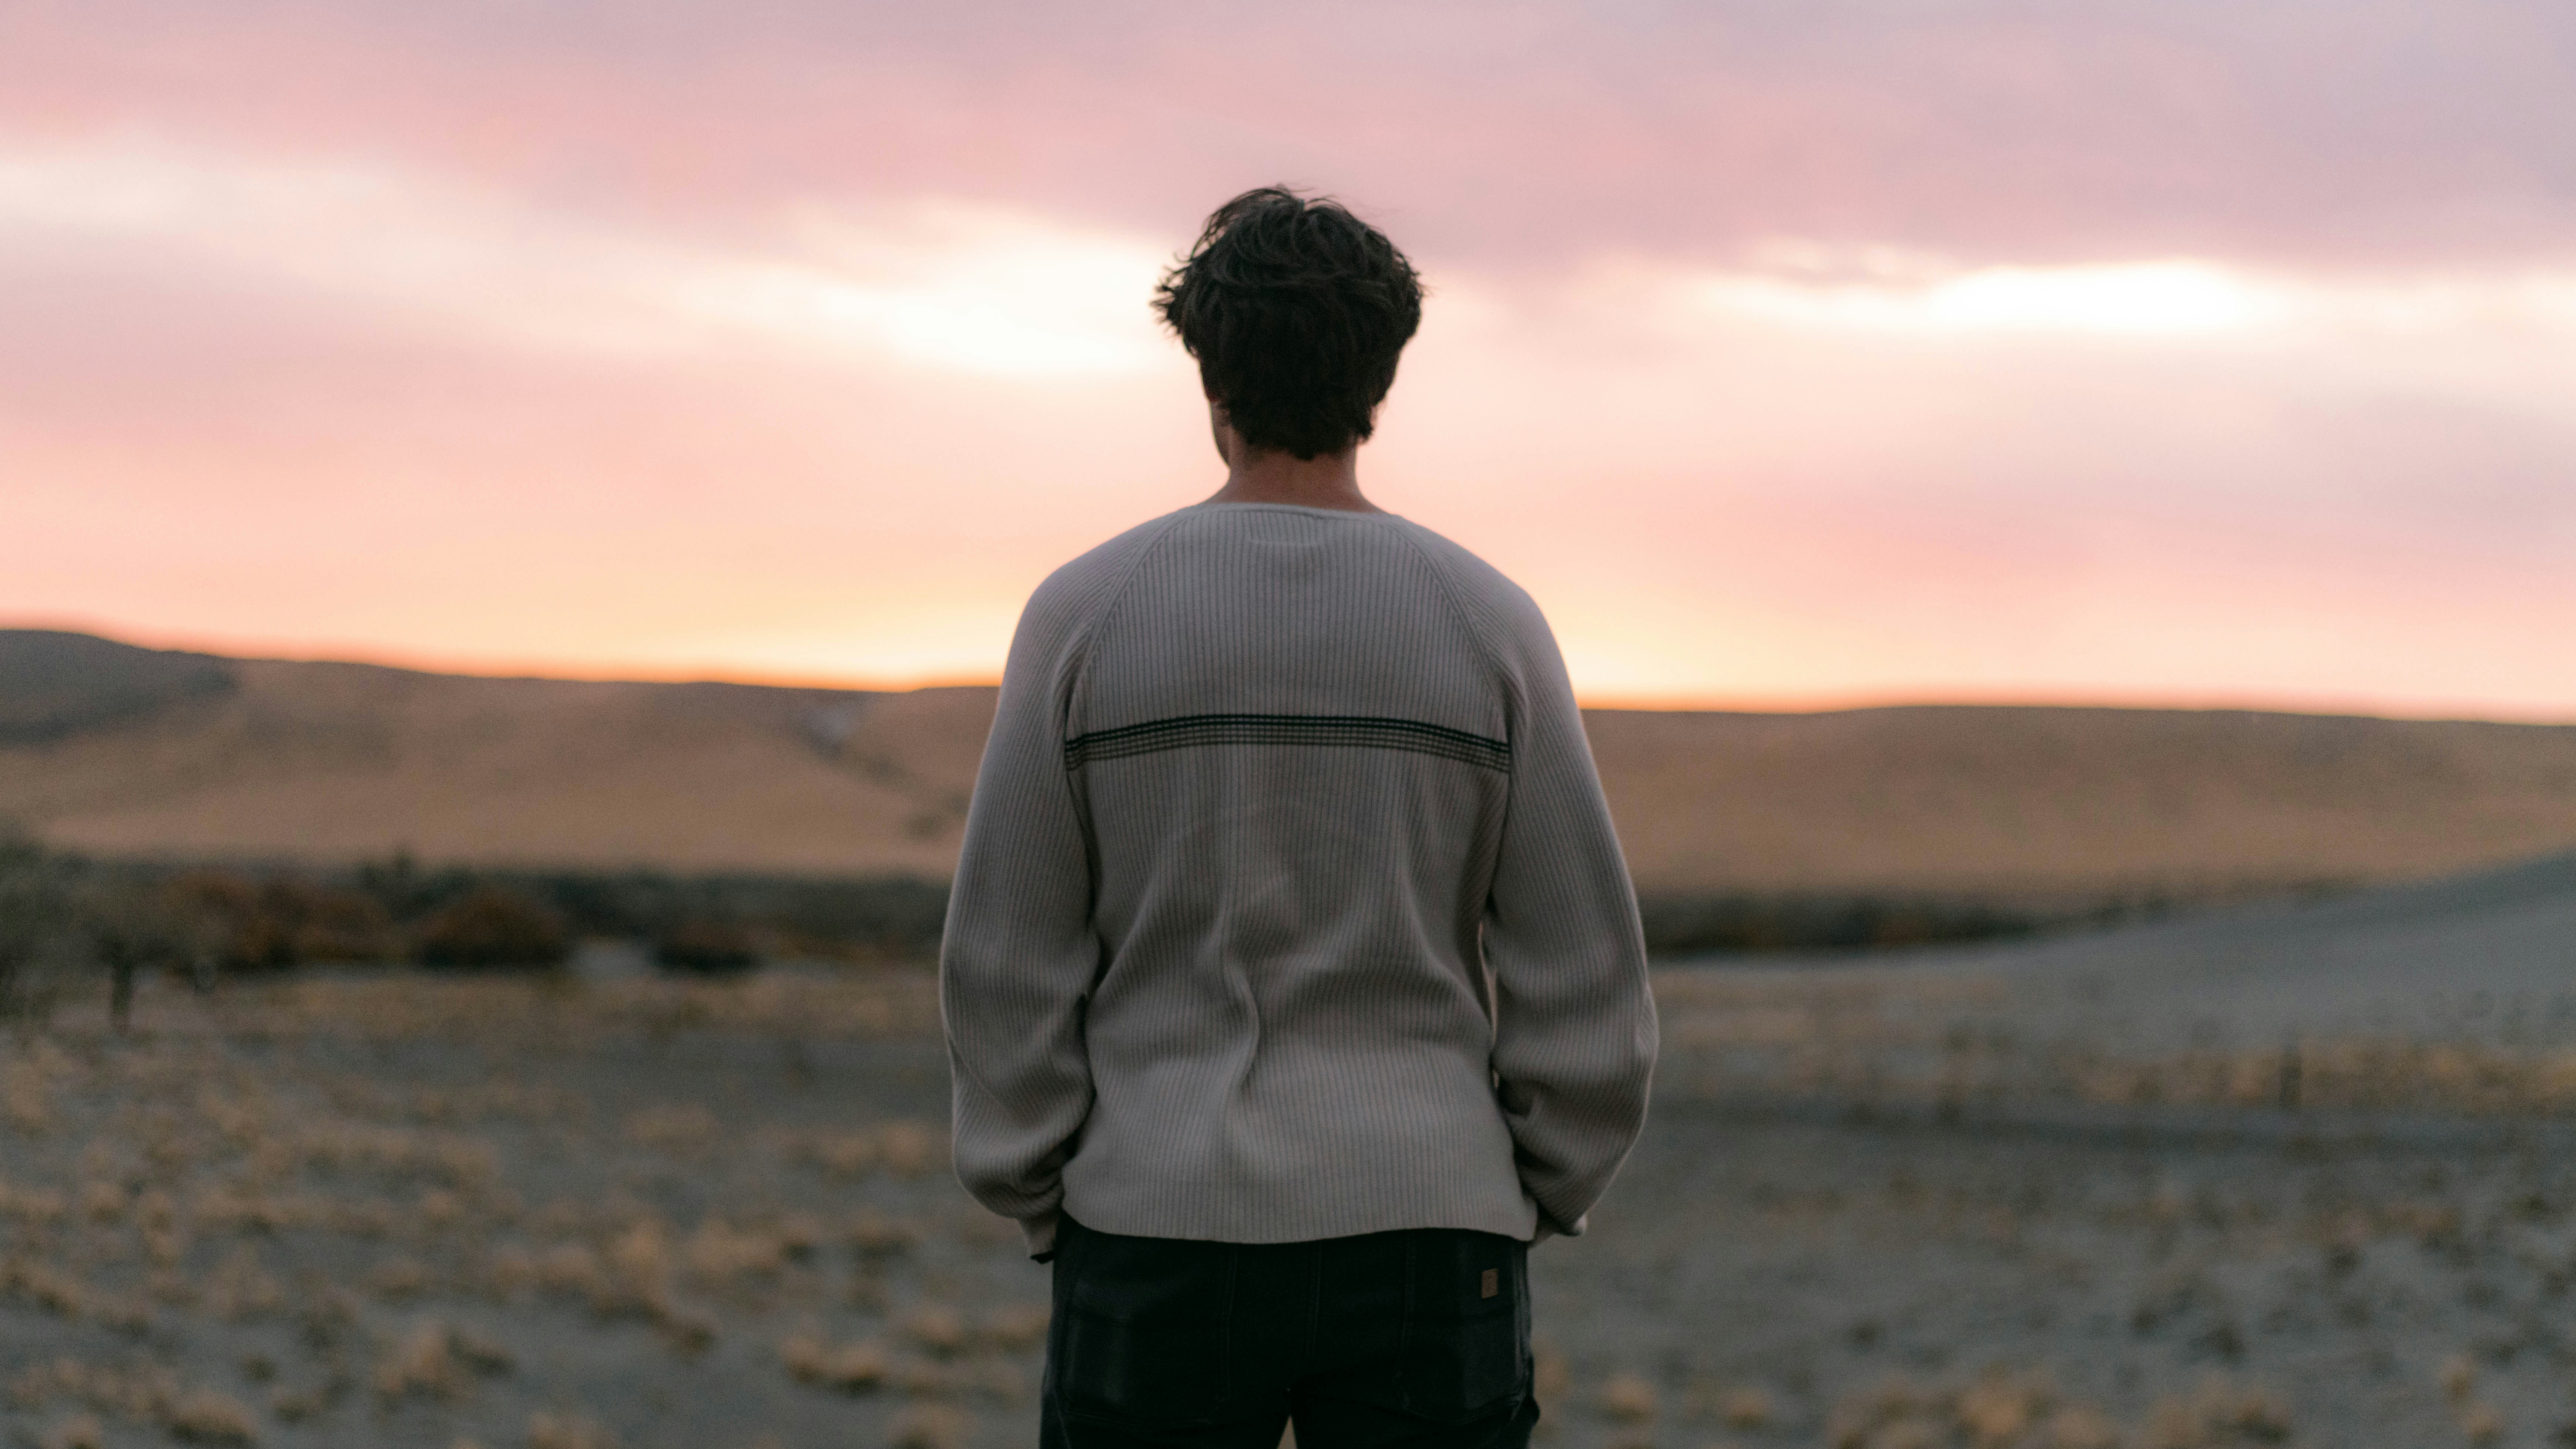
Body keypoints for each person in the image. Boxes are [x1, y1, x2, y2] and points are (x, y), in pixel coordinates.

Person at [940, 186, 1657, 1448]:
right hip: (1432, 1228)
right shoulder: (1489, 621)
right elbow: (1587, 968)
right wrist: (1523, 1182)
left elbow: (1006, 955)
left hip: (1151, 1221)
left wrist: (1045, 1184)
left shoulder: (1087, 614)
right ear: (1381, 380)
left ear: (1209, 374)